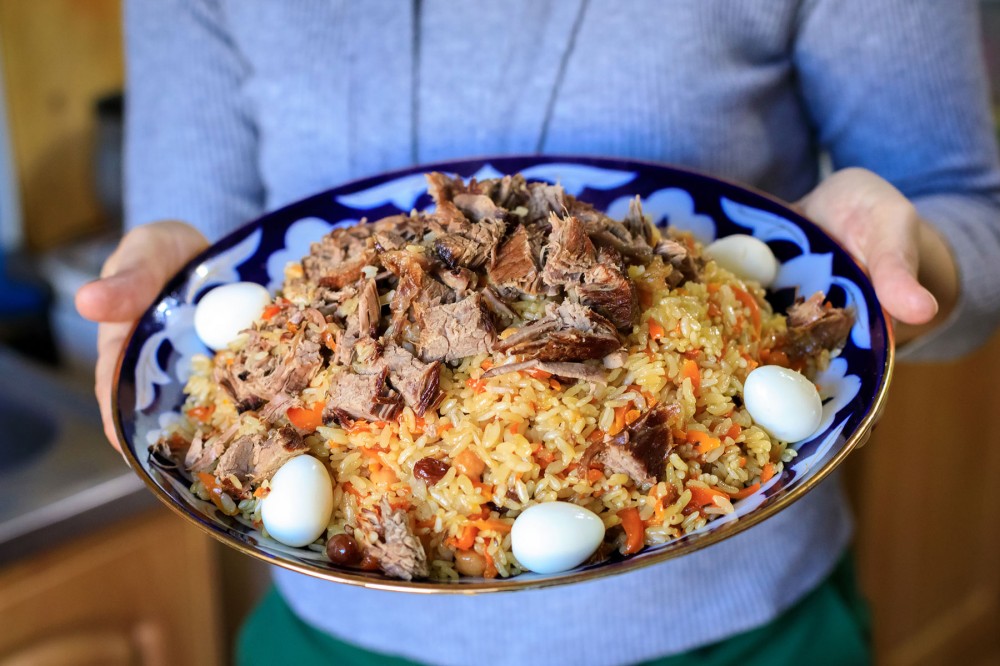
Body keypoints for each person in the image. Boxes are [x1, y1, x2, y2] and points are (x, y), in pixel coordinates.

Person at [75, 2, 1000, 665]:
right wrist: (164, 276)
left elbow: (970, 208)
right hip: (337, 636)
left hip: (746, 634)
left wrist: (910, 262)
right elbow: (208, 271)